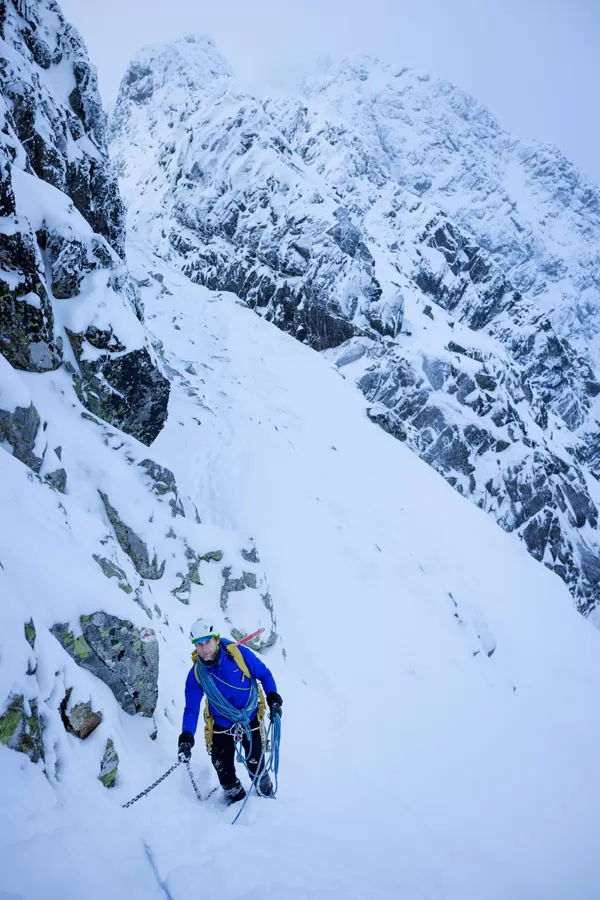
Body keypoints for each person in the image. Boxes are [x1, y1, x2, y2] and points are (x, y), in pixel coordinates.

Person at [177, 618, 283, 803]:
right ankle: (237, 800)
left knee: (256, 763)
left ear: (216, 640)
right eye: (199, 644)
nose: (204, 649)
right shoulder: (196, 675)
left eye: (208, 642)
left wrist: (273, 698)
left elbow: (264, 674)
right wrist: (186, 737)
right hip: (221, 723)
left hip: (249, 718)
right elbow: (191, 709)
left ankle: (266, 797)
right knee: (222, 768)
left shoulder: (239, 656)